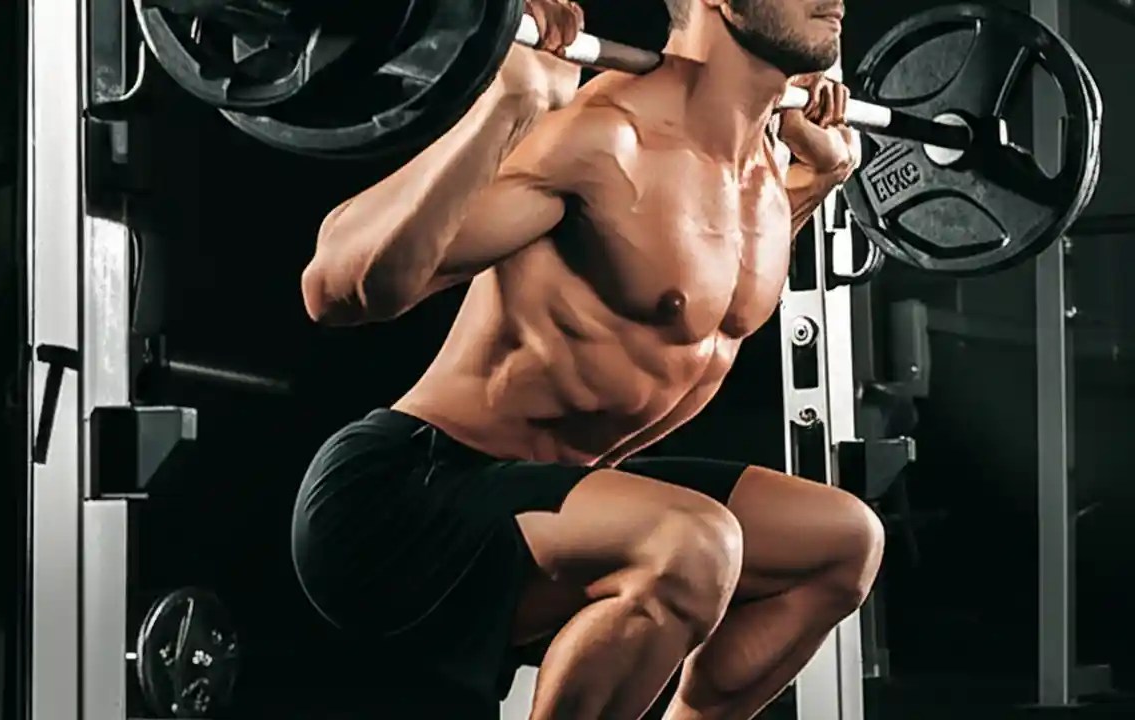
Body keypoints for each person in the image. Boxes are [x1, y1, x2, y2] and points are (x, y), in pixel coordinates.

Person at [292, 0, 884, 717]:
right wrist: (506, 107)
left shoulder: (761, 172)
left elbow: (697, 303)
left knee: (841, 544)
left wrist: (817, 180)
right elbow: (336, 289)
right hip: (406, 503)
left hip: (556, 507)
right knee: (695, 544)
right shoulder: (606, 139)